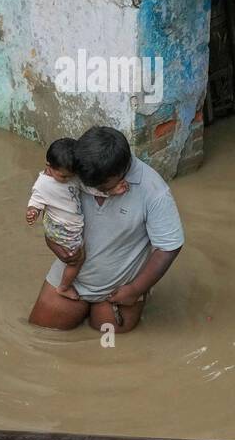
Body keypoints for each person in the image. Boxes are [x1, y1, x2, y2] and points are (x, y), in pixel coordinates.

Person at [27, 126, 184, 333]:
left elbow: (168, 246)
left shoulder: (154, 191)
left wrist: (136, 289)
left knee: (108, 347)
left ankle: (139, 296)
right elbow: (52, 214)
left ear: (121, 173)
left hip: (118, 287)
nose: (95, 190)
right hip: (70, 277)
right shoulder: (74, 169)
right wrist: (52, 243)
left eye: (102, 187)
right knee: (41, 333)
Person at [26, 138, 85, 299]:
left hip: (57, 224)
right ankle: (64, 287)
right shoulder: (43, 184)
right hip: (62, 228)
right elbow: (36, 200)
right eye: (63, 176)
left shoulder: (70, 175)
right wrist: (32, 211)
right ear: (49, 168)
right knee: (77, 259)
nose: (67, 179)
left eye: (71, 176)